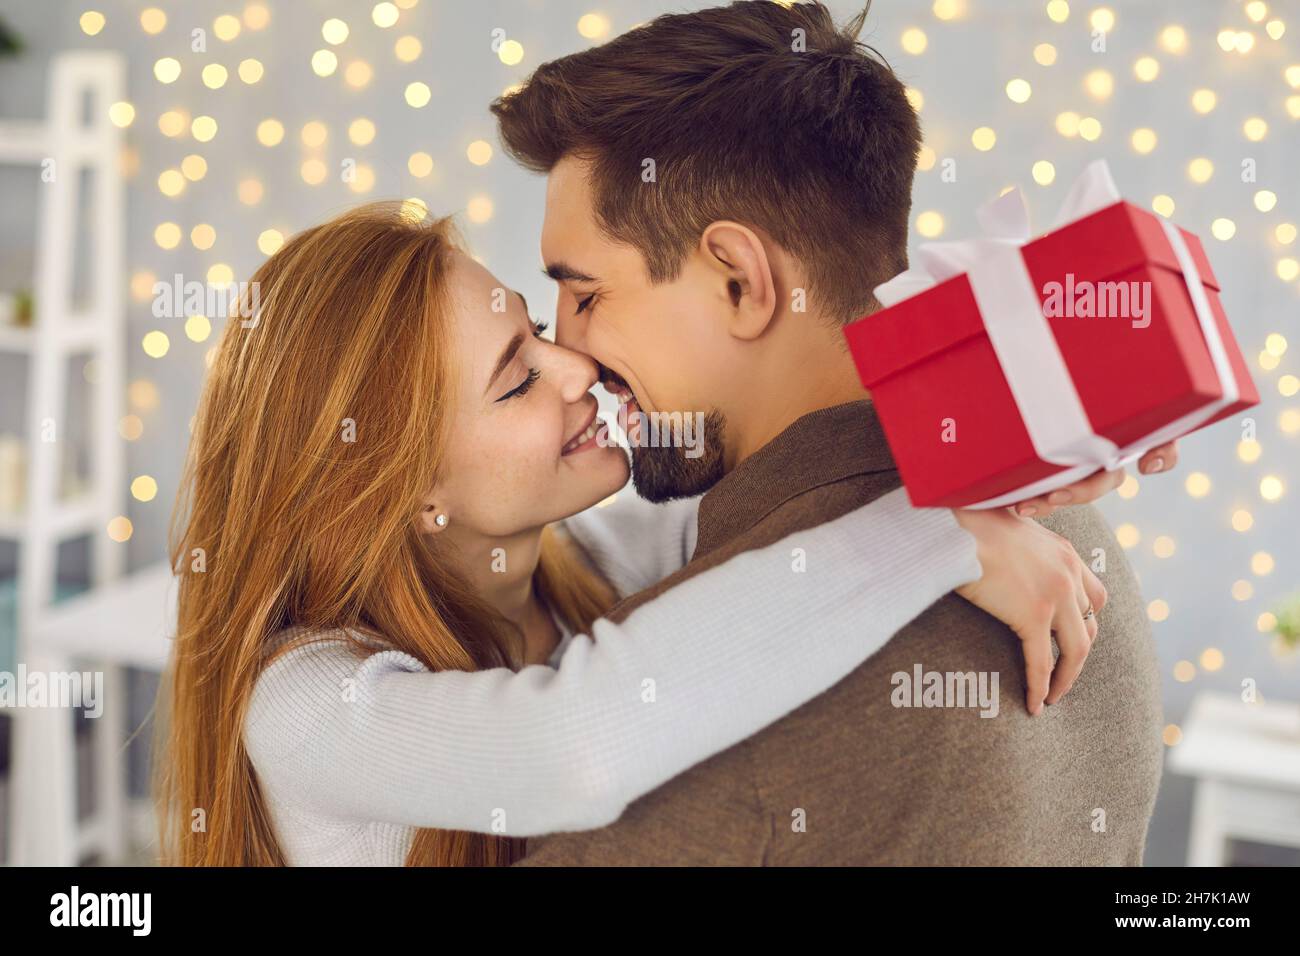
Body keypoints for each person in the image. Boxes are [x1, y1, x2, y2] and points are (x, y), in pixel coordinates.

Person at [157, 203, 1114, 867]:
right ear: (403, 489)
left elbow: (799, 512)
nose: (572, 366)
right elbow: (573, 747)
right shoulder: (304, 705)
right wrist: (938, 539)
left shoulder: (594, 566)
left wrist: (1044, 419)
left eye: (537, 329)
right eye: (518, 379)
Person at [490, 0, 1169, 866]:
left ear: (740, 282)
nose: (571, 354)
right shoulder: (1069, 545)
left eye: (585, 296)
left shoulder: (691, 691)